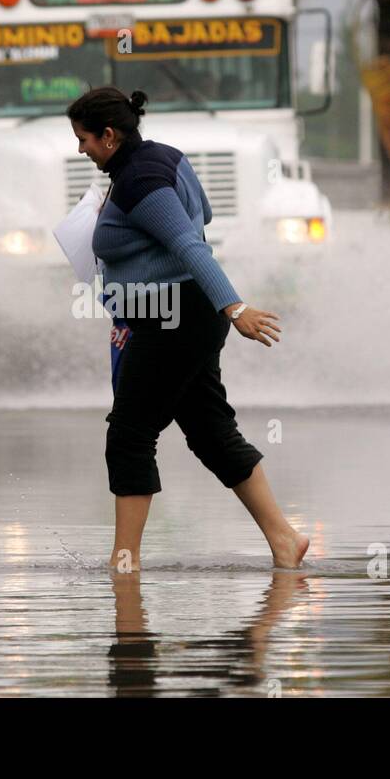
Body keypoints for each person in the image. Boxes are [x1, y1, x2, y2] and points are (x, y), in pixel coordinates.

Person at [66, 86, 310, 573]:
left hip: (171, 318)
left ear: (109, 135)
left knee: (130, 434)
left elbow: (189, 245)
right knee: (210, 432)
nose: (81, 150)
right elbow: (204, 217)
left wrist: (234, 307)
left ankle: (125, 560)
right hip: (181, 315)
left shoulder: (140, 180)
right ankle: (285, 540)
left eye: (84, 139)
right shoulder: (162, 159)